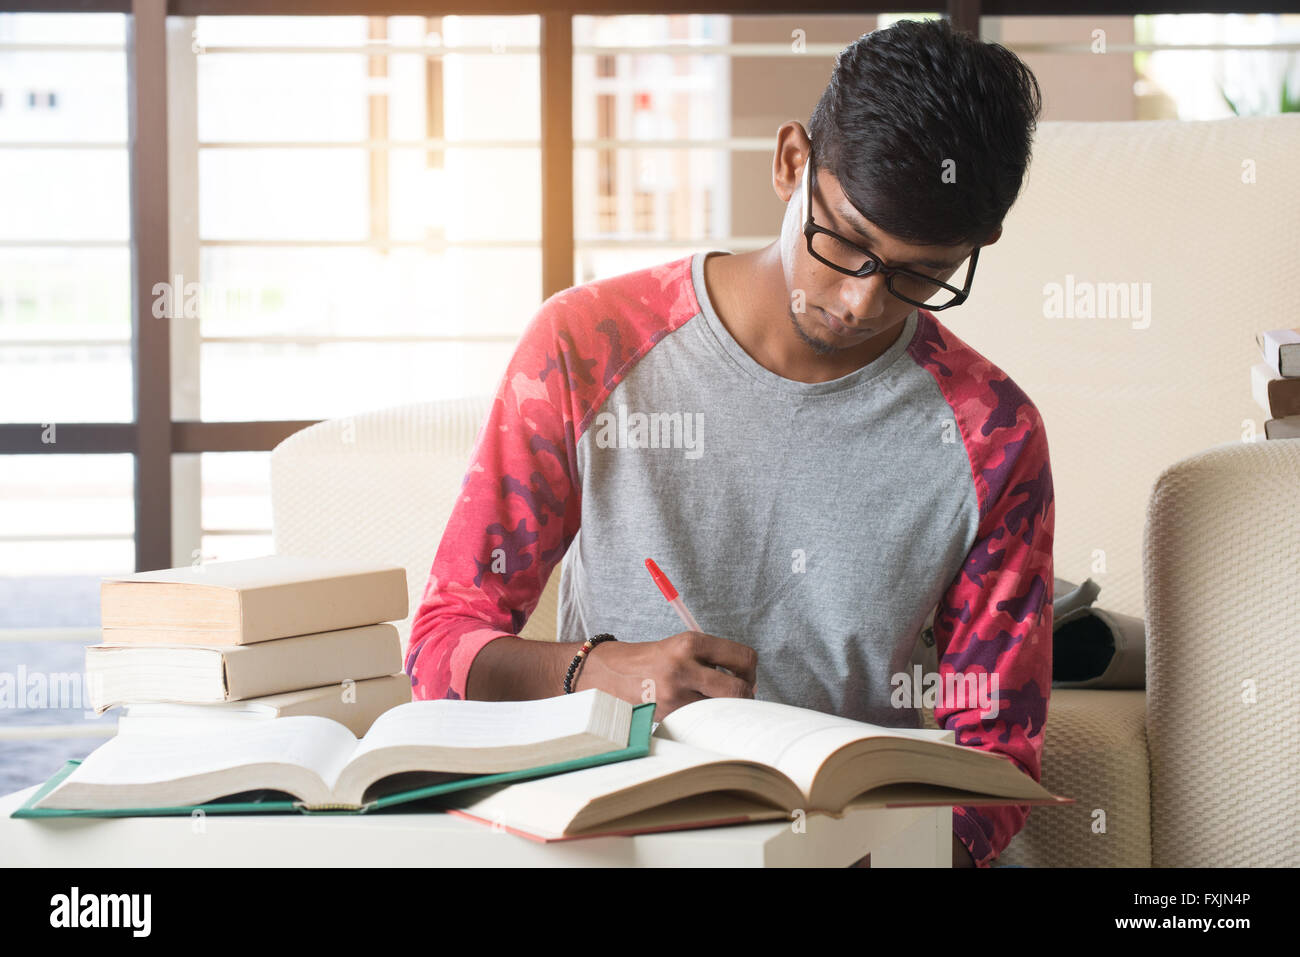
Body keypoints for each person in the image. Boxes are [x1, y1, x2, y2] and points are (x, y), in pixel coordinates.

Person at [406, 17, 1053, 869]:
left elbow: (998, 754)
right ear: (791, 162)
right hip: (614, 837)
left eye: (918, 275)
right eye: (847, 243)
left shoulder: (993, 431)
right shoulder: (585, 344)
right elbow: (442, 644)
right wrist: (591, 672)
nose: (862, 303)